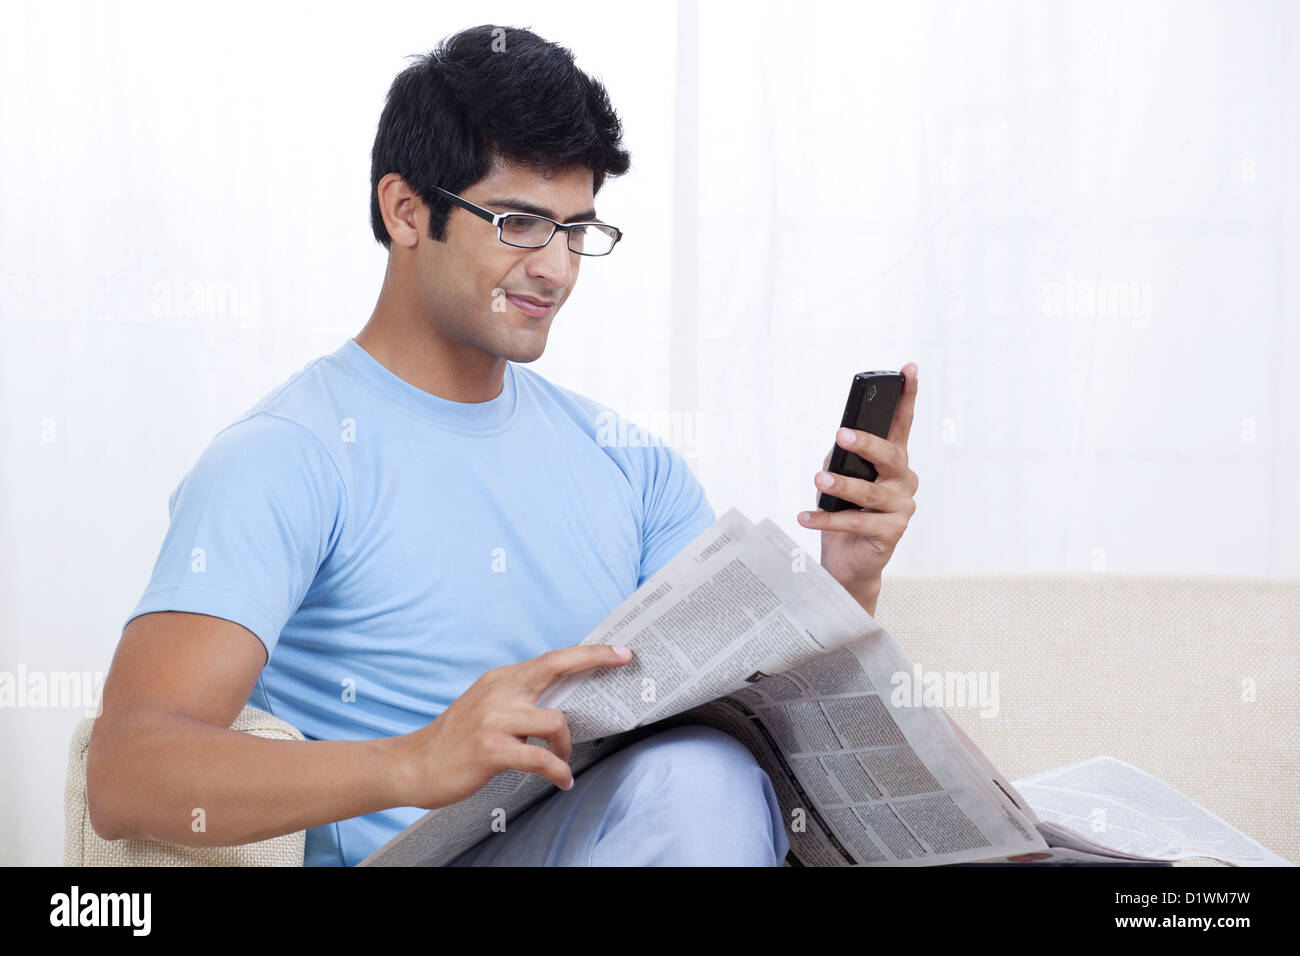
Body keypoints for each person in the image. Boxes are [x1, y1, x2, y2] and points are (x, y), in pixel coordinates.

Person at [87, 23, 918, 868]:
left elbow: (748, 739)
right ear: (406, 211)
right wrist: (413, 760)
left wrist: (846, 588)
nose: (556, 269)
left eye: (575, 230)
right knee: (696, 783)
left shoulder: (632, 464)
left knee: (707, 771)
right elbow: (126, 774)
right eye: (519, 222)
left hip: (610, 842)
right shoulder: (286, 456)